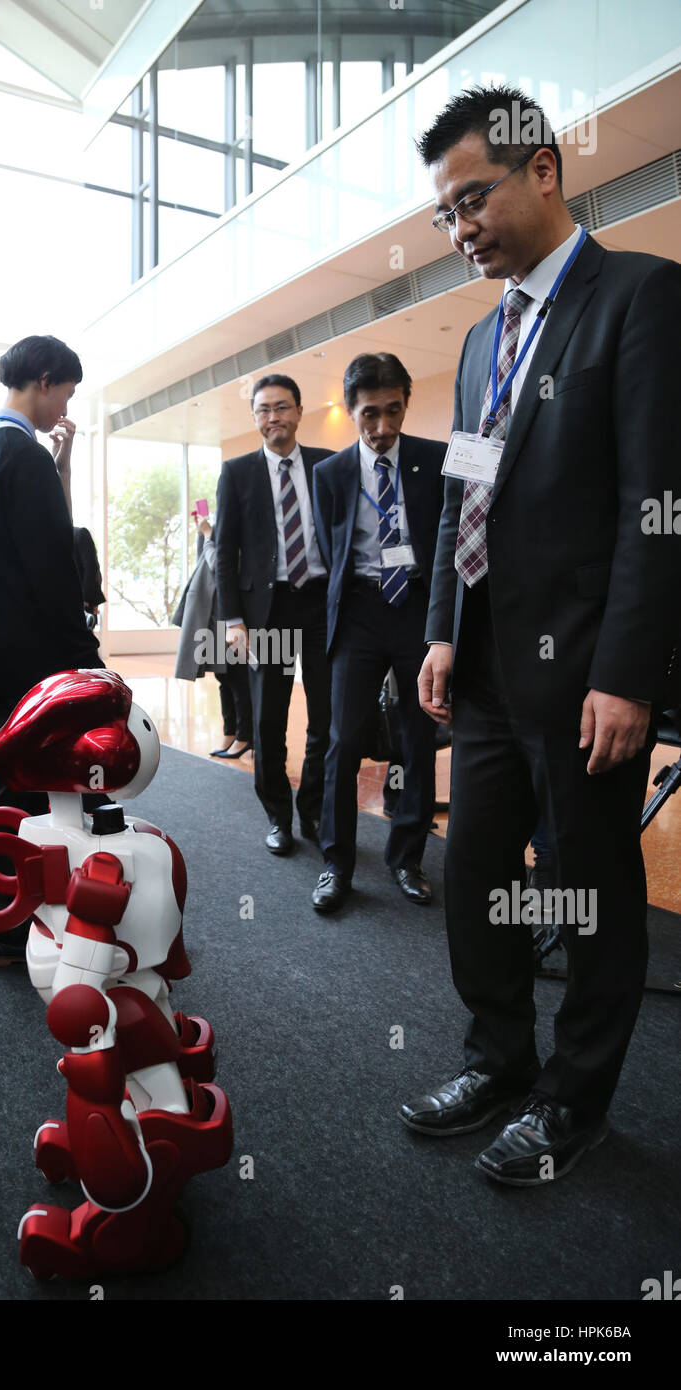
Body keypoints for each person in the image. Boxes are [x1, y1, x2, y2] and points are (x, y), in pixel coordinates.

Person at [400, 85, 681, 1185]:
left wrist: (625, 674)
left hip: (581, 679)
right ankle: (497, 1058)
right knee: (474, 875)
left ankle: (573, 1100)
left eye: (471, 198)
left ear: (543, 173)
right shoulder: (478, 343)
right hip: (477, 668)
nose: (459, 226)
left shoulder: (640, 299)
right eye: (445, 213)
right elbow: (459, 501)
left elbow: (653, 507)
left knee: (587, 889)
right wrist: (436, 628)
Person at [0, 334, 103, 967]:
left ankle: (3, 922)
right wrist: (86, 656)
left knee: (14, 789)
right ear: (44, 380)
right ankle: (23, 926)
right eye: (67, 390)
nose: (66, 404)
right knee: (40, 793)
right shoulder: (21, 454)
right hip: (34, 659)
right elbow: (54, 569)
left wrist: (61, 467)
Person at [311, 353, 445, 912]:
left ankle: (407, 858)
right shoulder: (331, 474)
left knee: (418, 741)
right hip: (361, 612)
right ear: (351, 409)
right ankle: (337, 863)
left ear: (405, 405)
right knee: (344, 742)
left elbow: (446, 542)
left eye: (393, 412)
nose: (383, 428)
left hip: (418, 609)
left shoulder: (435, 461)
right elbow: (328, 548)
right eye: (370, 414)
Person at [215, 374, 334, 854]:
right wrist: (231, 619)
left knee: (327, 717)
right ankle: (278, 816)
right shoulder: (237, 473)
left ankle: (313, 809)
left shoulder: (328, 466)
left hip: (322, 603)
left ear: (299, 411)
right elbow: (225, 552)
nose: (273, 418)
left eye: (281, 407)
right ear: (255, 419)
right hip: (268, 610)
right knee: (268, 719)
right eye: (263, 410)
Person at [173, 511, 252, 759]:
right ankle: (231, 732)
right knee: (223, 677)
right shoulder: (223, 527)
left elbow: (220, 565)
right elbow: (203, 562)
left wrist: (208, 535)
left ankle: (245, 735)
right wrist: (204, 535)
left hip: (234, 616)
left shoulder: (243, 528)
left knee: (238, 679)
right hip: (216, 614)